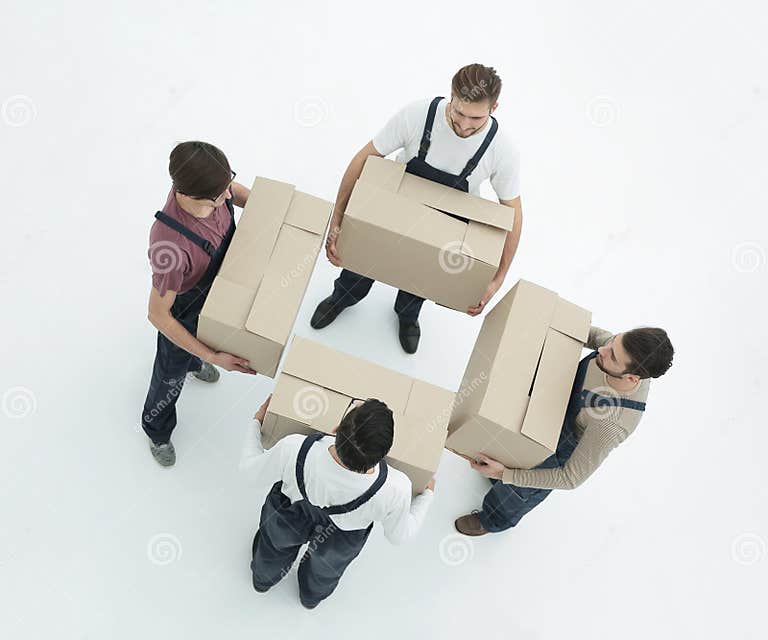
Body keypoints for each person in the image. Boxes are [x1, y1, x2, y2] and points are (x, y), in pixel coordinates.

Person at [311, 63, 523, 354]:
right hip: (392, 205)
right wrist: (337, 219)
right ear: (451, 95)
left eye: (475, 118)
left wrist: (498, 278)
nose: (463, 124)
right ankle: (344, 297)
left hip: (442, 224)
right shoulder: (417, 115)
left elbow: (513, 214)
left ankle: (407, 315)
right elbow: (364, 157)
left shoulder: (502, 150)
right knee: (362, 258)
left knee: (421, 278)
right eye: (458, 112)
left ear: (494, 107)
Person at [454, 326, 674, 536]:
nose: (602, 350)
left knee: (517, 492)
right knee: (511, 446)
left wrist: (506, 474)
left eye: (613, 356)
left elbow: (570, 478)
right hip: (551, 407)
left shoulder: (612, 422)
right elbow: (590, 335)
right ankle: (500, 475)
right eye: (614, 341)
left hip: (561, 447)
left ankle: (493, 519)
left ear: (632, 378)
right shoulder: (620, 349)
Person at [241, 396, 435, 609]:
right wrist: (426, 497)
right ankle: (310, 597)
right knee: (324, 571)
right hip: (342, 537)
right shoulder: (396, 488)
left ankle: (262, 580)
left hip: (288, 514)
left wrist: (255, 423)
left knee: (273, 548)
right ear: (385, 454)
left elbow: (251, 472)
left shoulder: (294, 447)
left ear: (335, 429)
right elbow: (399, 536)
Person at [142, 141, 256, 467]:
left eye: (226, 185)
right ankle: (157, 428)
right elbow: (158, 315)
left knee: (207, 336)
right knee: (169, 376)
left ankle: (195, 360)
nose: (228, 197)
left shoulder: (211, 186)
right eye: (219, 196)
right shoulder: (169, 246)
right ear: (190, 195)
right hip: (184, 308)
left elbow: (233, 189)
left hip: (217, 287)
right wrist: (213, 357)